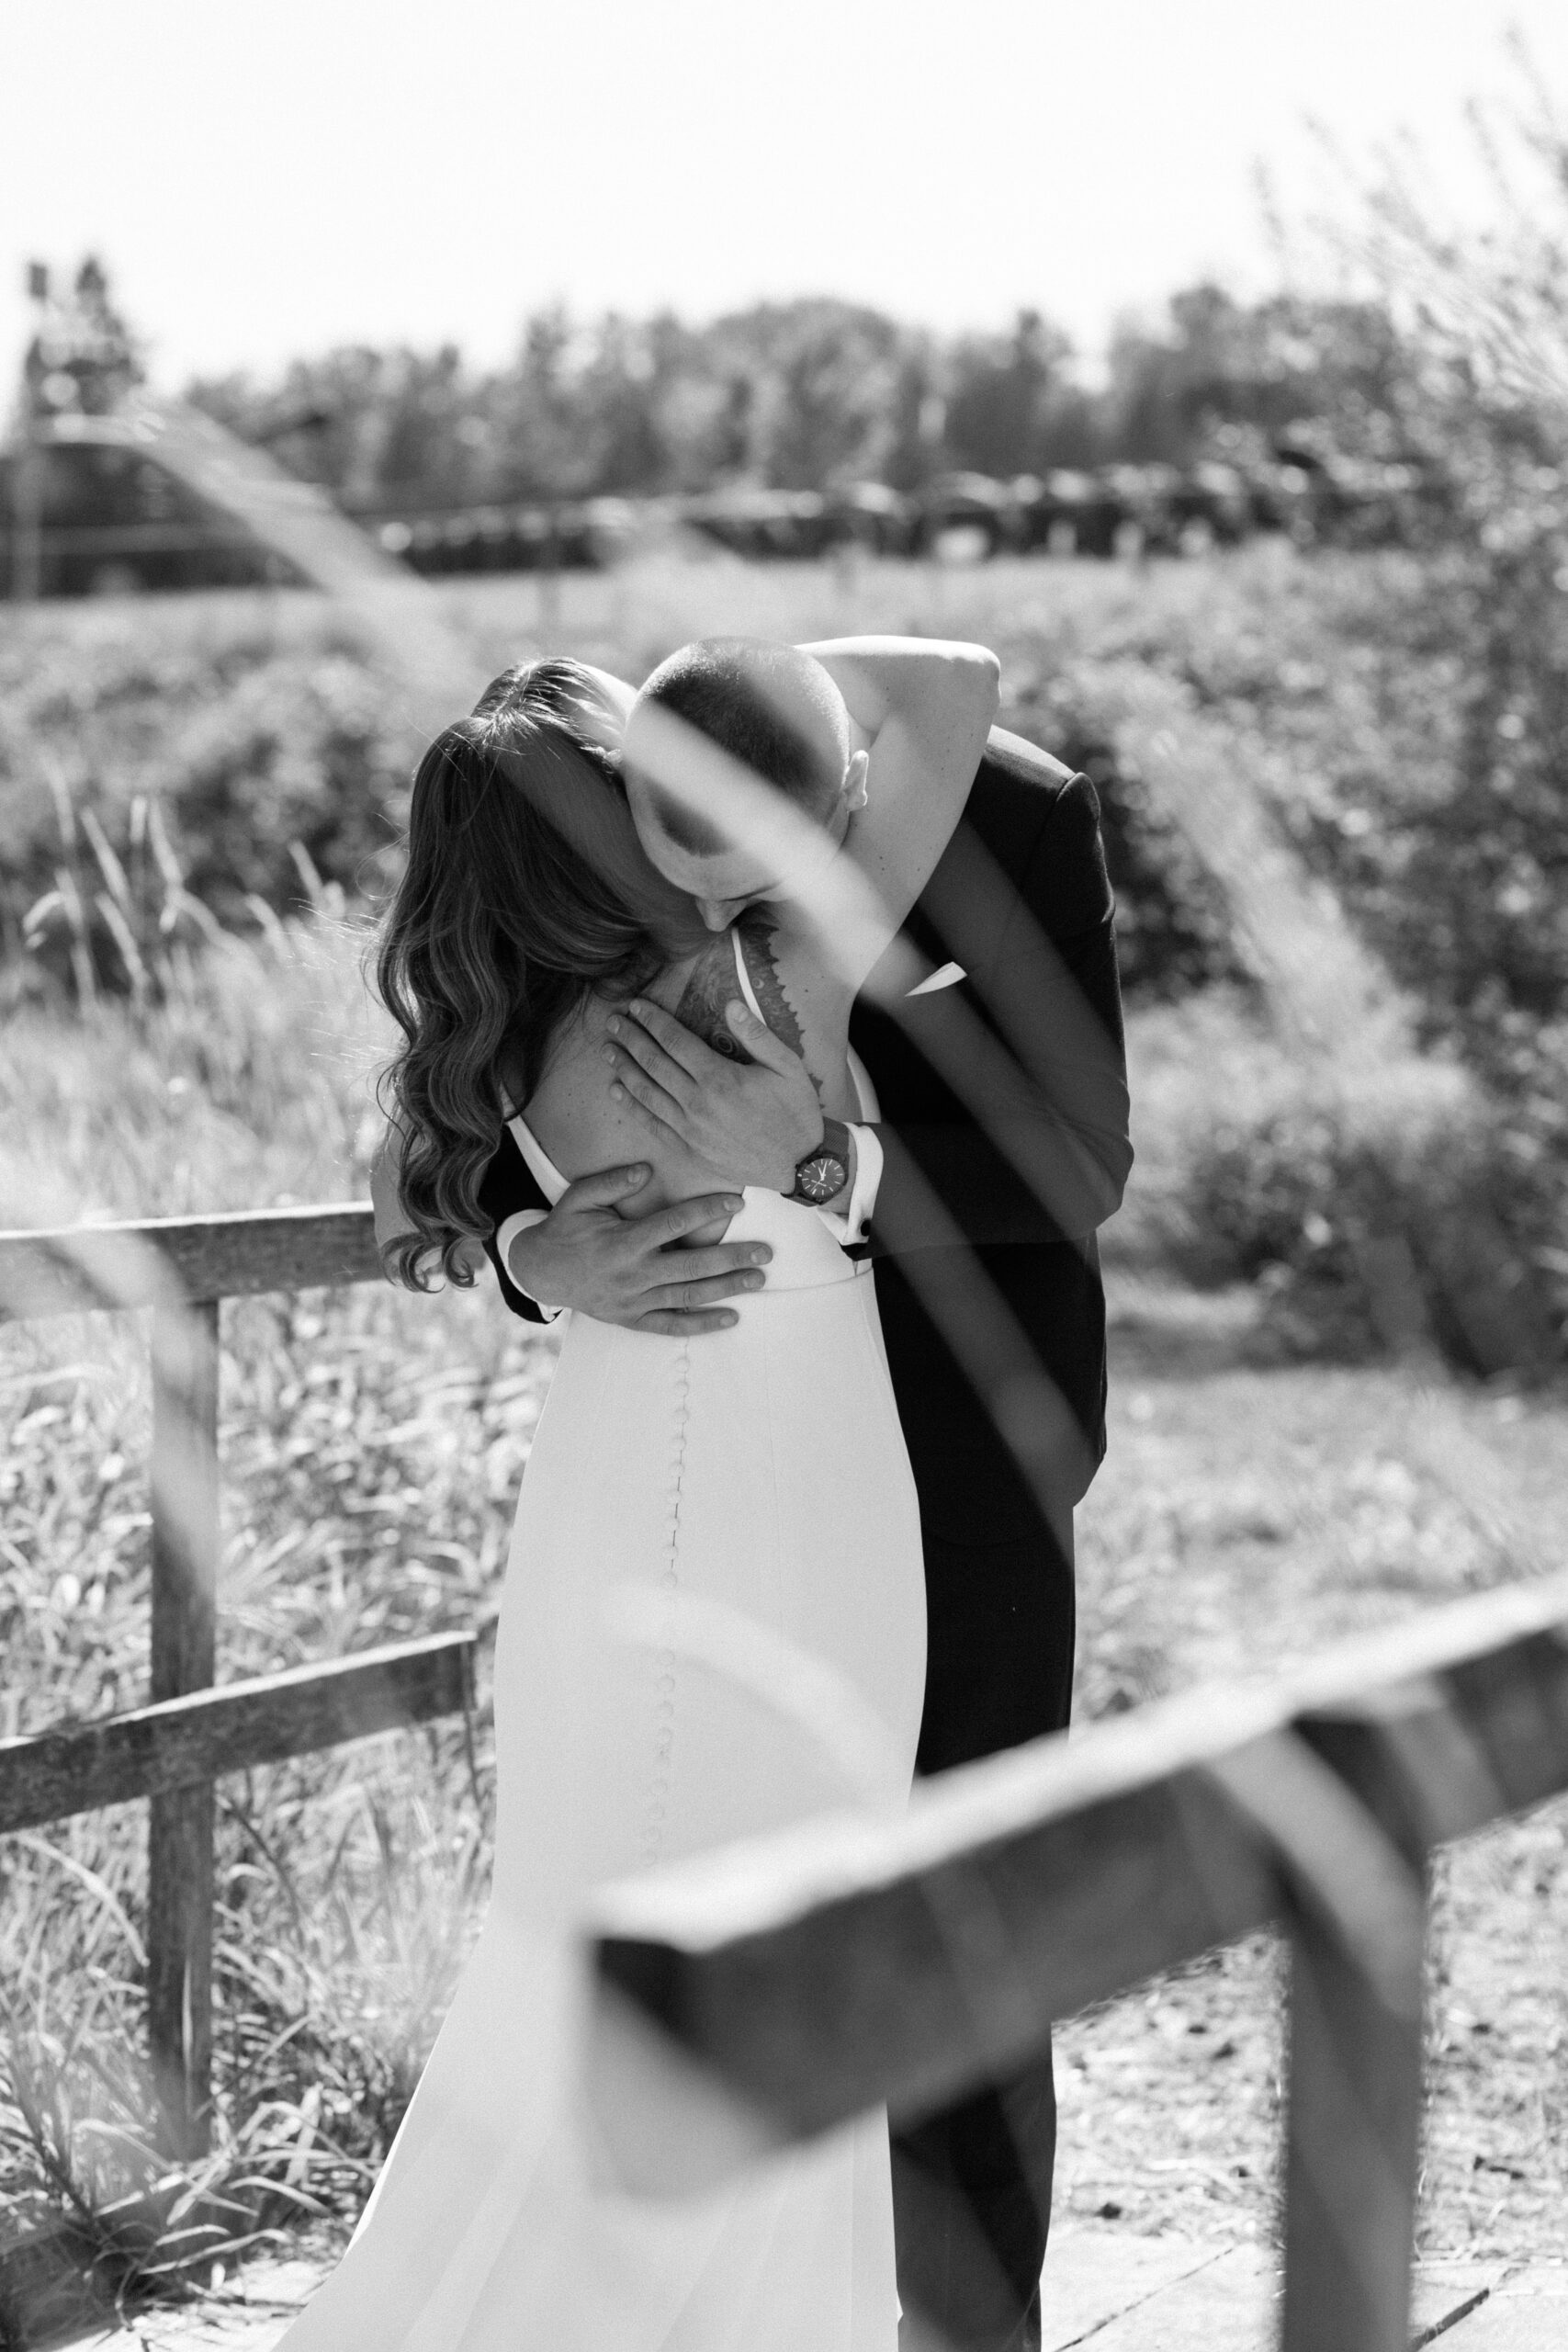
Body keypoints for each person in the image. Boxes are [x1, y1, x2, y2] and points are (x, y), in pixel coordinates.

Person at [287, 635, 1001, 2352]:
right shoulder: (785, 969)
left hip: (614, 1493)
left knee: (589, 1906)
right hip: (809, 1488)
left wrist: (528, 1233)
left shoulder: (500, 1054)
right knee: (801, 1900)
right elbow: (955, 680)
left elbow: (399, 1209)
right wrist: (723, 696)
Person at [460, 644, 1133, 2352]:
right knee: (719, 1875)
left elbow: (1081, 1160)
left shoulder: (1019, 817)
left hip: (967, 1457)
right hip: (728, 1443)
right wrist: (533, 1251)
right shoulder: (639, 784)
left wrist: (833, 1163)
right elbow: (492, 1089)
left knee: (963, 1912)